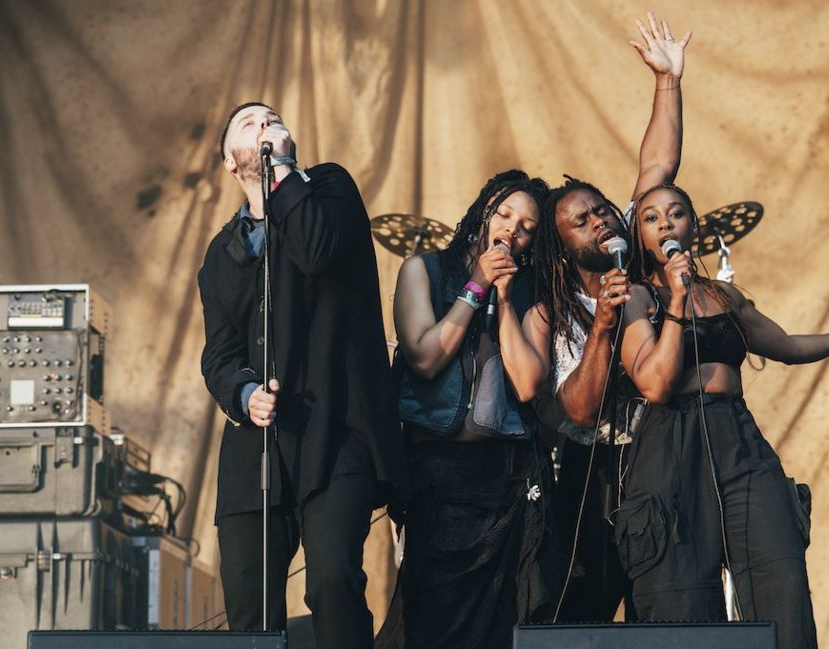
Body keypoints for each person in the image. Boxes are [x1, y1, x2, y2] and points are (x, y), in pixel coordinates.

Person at [616, 181, 829, 649]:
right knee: (681, 599)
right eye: (651, 218)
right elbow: (653, 383)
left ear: (693, 226)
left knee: (780, 576)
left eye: (675, 214)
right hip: (672, 440)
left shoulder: (724, 297)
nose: (665, 225)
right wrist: (675, 300)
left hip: (736, 435)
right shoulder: (638, 298)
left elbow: (788, 347)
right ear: (640, 235)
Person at [198, 102, 408, 648]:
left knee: (334, 585)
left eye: (272, 117)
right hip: (256, 450)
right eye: (250, 123)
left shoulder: (331, 189)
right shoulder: (220, 256)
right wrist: (245, 396)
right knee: (250, 613)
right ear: (228, 161)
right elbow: (218, 354)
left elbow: (315, 252)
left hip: (337, 434)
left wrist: (284, 170)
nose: (265, 124)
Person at [525, 12, 690, 623]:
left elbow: (657, 171)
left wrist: (668, 82)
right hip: (589, 478)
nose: (602, 220)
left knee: (665, 615)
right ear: (562, 246)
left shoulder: (638, 260)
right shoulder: (555, 309)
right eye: (582, 220)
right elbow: (578, 410)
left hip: (658, 461)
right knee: (582, 616)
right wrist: (602, 325)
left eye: (602, 209)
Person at [376, 170, 561, 649]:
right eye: (504, 214)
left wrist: (502, 299)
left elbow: (528, 382)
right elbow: (425, 357)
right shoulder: (424, 270)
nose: (511, 230)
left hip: (505, 476)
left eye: (526, 226)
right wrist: (476, 285)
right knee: (430, 618)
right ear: (483, 211)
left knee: (502, 620)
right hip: (436, 472)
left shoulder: (533, 294)